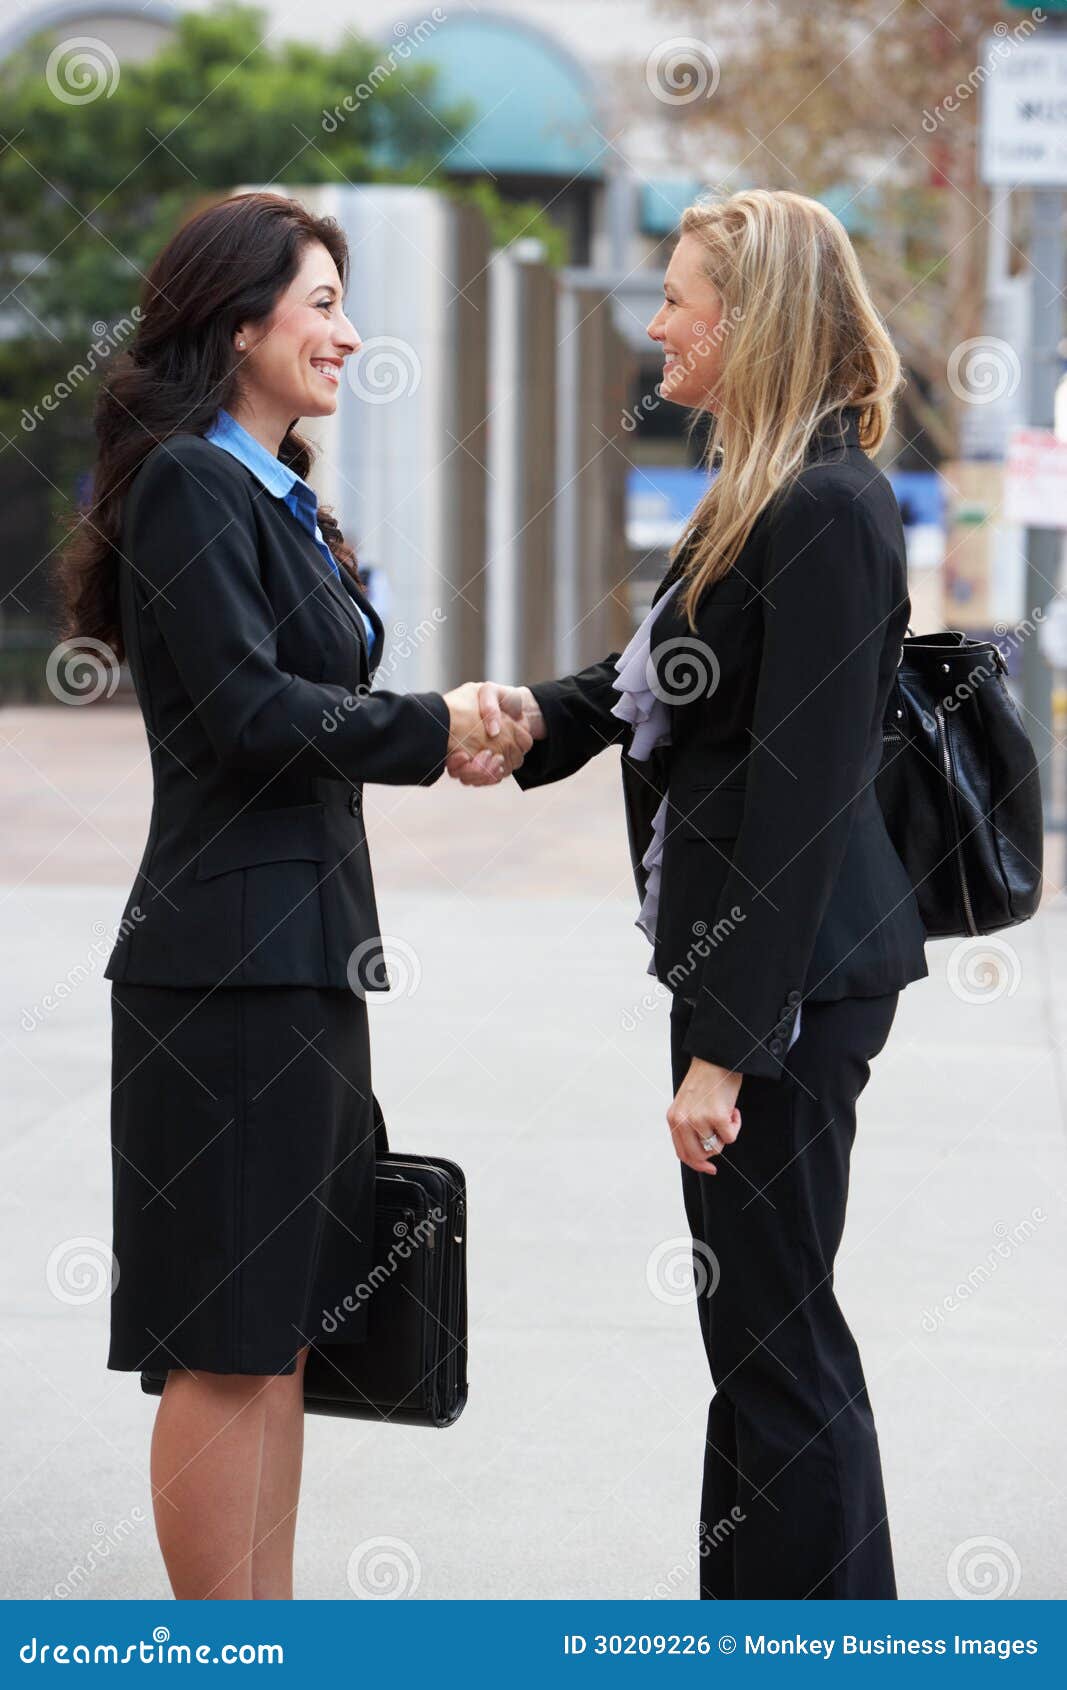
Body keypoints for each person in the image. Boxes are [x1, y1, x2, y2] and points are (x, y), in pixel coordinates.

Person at [448, 189, 929, 1599]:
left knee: (779, 1340)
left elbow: (801, 797)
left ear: (750, 319)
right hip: (756, 979)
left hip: (785, 988)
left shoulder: (829, 507)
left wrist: (726, 1044)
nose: (654, 322)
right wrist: (528, 719)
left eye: (677, 298)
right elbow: (659, 680)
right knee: (760, 1335)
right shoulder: (766, 488)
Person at [54, 190, 530, 1600]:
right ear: (238, 319)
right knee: (223, 1333)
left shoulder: (278, 491)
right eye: (320, 305)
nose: (347, 333)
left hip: (303, 955)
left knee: (282, 1332)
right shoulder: (196, 483)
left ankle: (273, 1637)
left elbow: (308, 696)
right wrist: (431, 728)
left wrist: (441, 721)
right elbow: (254, 710)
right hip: (224, 964)